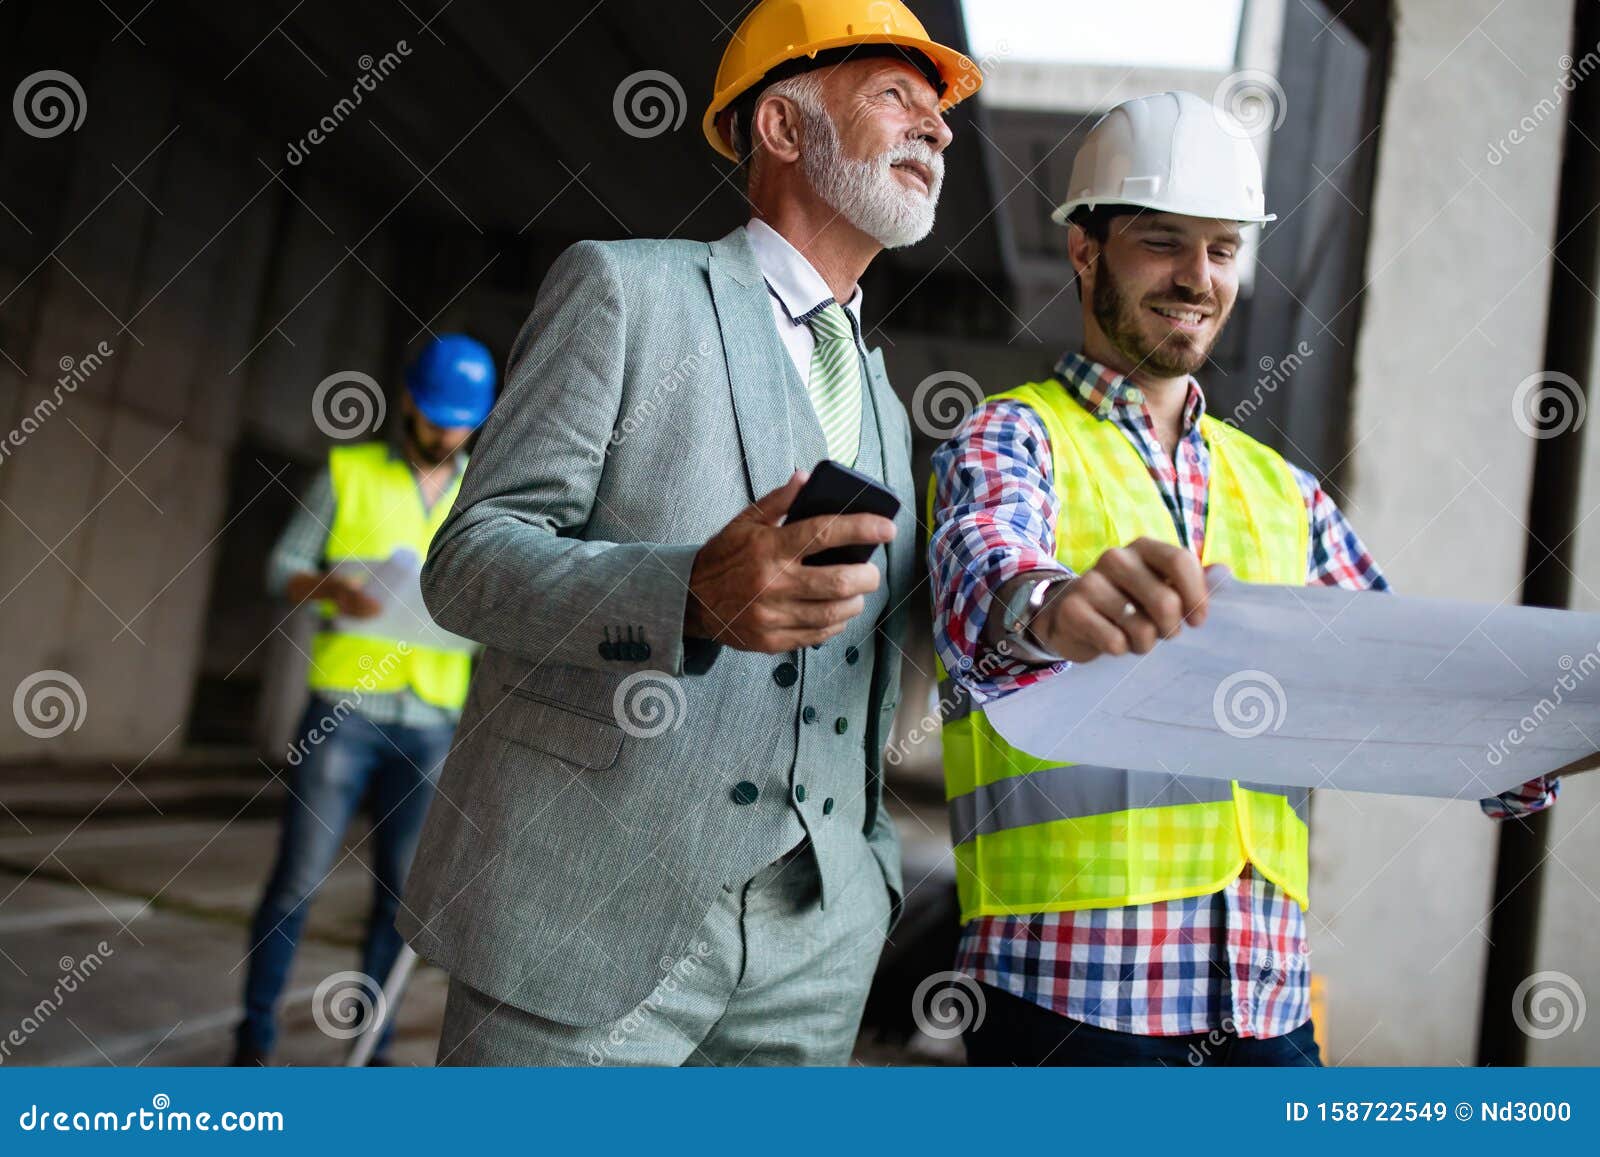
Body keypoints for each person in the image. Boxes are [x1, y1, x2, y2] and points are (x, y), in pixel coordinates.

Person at [927, 91, 1580, 1066]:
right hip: (1066, 994)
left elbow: (1410, 689)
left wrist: (1564, 721)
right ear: (1084, 251)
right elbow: (988, 586)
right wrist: (1060, 608)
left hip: (1264, 1000)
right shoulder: (1009, 434)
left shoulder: (1285, 491)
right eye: (1162, 242)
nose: (1198, 277)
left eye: (1223, 249)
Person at [396, 0, 981, 1066]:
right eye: (899, 94)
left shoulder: (888, 408)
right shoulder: (626, 292)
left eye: (939, 109)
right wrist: (684, 595)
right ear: (783, 127)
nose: (937, 129)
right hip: (588, 914)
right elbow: (471, 559)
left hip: (815, 941)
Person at [233, 334, 495, 1066]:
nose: (445, 432)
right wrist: (330, 589)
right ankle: (252, 1046)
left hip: (435, 721)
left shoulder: (486, 500)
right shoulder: (348, 472)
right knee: (295, 884)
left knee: (401, 904)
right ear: (407, 399)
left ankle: (368, 1049)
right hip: (343, 713)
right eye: (435, 414)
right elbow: (283, 564)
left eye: (460, 421)